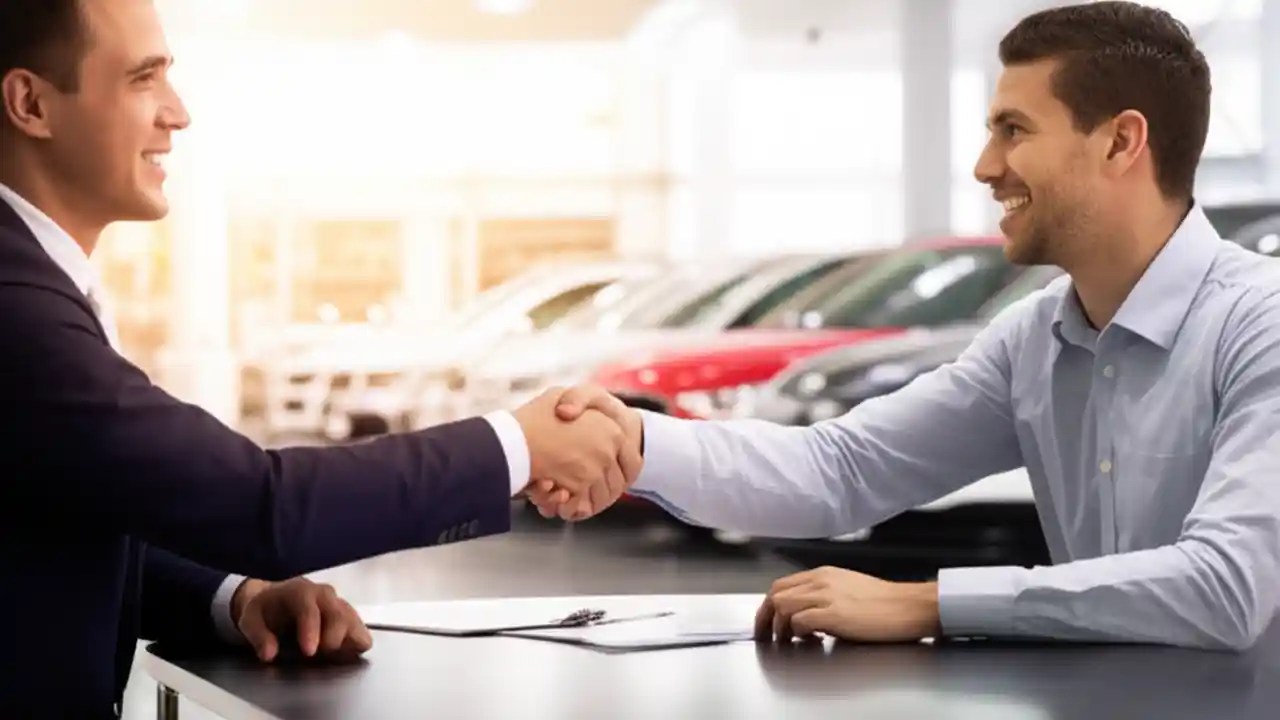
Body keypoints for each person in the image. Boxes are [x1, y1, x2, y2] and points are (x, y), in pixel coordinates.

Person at [534, 1, 1280, 651]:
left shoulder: (1260, 326)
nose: (987, 166)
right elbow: (841, 471)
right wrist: (636, 443)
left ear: (1121, 142)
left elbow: (1226, 585)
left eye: (1013, 130)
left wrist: (924, 602)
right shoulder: (1034, 341)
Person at [0, 1, 634, 715]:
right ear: (31, 103)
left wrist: (236, 599)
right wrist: (519, 447)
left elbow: (82, 519)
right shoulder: (14, 302)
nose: (178, 114)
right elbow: (255, 503)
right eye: (143, 79)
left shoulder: (37, 277)